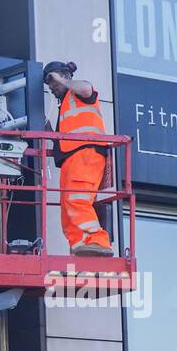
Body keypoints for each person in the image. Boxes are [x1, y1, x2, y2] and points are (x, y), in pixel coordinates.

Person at [44, 60, 114, 257]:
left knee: (77, 200)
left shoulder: (77, 93)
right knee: (68, 206)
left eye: (53, 84)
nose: (52, 89)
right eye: (50, 86)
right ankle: (82, 246)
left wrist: (61, 80)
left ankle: (98, 241)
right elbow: (64, 138)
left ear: (64, 76)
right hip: (72, 158)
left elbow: (86, 88)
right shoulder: (65, 105)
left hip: (85, 154)